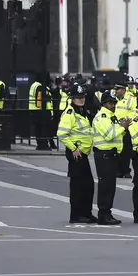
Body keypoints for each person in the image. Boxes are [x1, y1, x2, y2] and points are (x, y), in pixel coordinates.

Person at [57, 86, 97, 223]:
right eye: (78, 98)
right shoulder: (70, 113)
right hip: (76, 153)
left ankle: (86, 213)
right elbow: (61, 134)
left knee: (88, 185)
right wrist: (73, 148)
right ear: (72, 99)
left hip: (83, 153)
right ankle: (76, 215)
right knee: (78, 186)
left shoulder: (82, 111)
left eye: (83, 97)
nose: (81, 100)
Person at [91, 92, 126, 225]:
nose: (113, 105)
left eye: (114, 103)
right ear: (104, 103)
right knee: (105, 186)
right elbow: (109, 135)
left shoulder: (111, 116)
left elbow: (116, 134)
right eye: (111, 103)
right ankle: (103, 214)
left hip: (111, 155)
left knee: (110, 186)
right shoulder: (102, 116)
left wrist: (121, 128)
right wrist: (122, 127)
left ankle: (107, 213)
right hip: (104, 155)